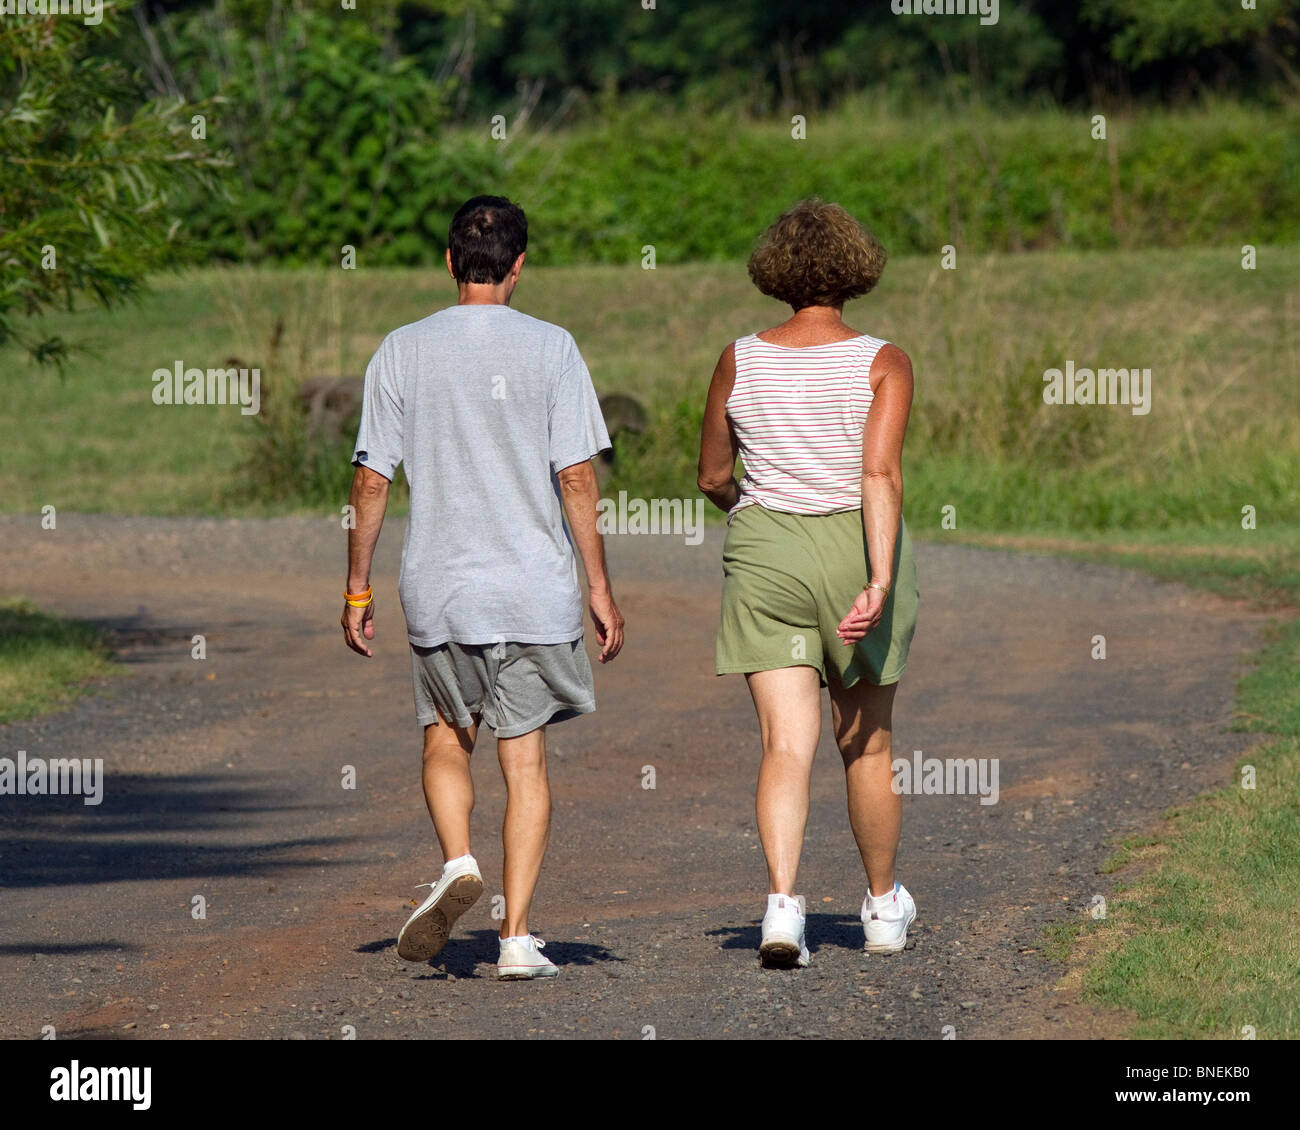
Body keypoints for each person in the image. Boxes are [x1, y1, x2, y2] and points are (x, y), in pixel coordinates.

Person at [340, 195, 625, 980]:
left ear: (448, 262)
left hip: (441, 589)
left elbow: (371, 480)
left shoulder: (401, 350)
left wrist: (357, 587)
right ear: (521, 264)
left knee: (444, 736)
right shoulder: (553, 347)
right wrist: (597, 585)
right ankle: (517, 939)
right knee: (524, 762)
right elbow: (575, 474)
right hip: (532, 590)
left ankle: (458, 859)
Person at [697, 197, 919, 967]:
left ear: (776, 271)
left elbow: (713, 475)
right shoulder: (883, 361)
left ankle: (782, 909)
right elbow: (879, 472)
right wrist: (879, 578)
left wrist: (751, 514)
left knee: (784, 745)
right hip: (854, 547)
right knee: (866, 744)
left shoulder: (739, 357)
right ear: (855, 270)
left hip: (764, 552)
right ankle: (884, 909)